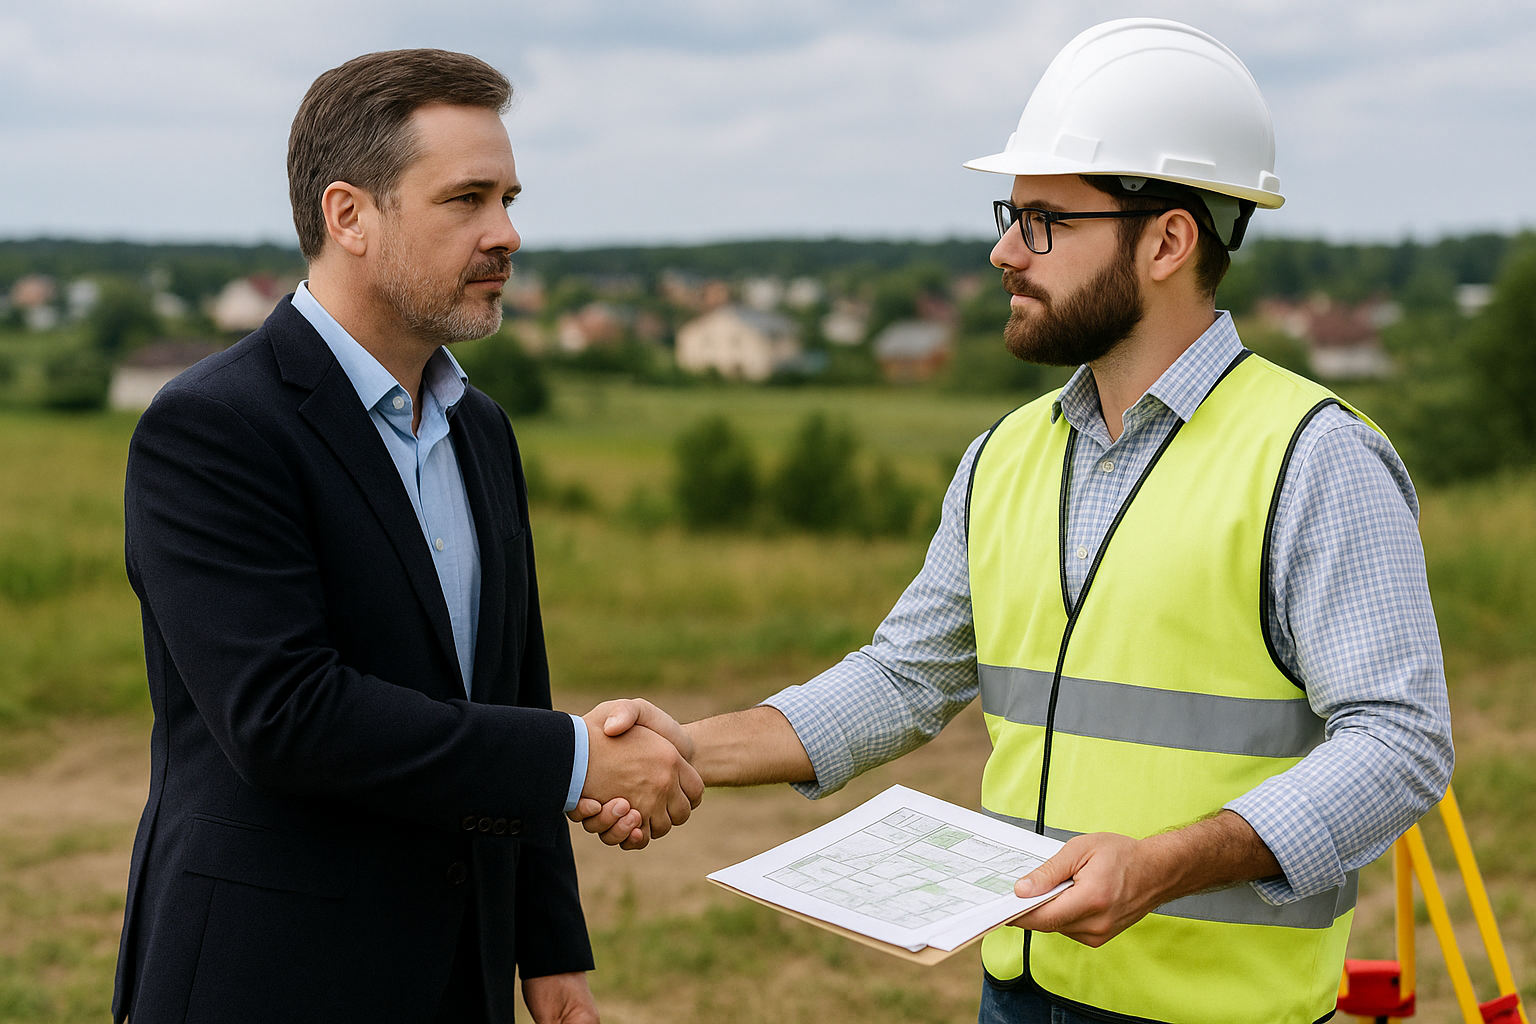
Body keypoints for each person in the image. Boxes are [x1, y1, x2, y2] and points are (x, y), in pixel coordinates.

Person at [576, 19, 1453, 1024]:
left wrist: (1163, 865)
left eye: (1043, 220)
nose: (1002, 250)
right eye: (1010, 213)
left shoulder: (1314, 456)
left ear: (1168, 239)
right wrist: (688, 746)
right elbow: (906, 675)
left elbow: (1398, 743)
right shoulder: (1006, 453)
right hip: (1018, 995)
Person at [113, 49, 699, 1024]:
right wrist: (579, 760)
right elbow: (286, 717)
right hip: (264, 980)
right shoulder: (212, 426)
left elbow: (510, 693)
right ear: (349, 215)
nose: (507, 233)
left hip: (457, 978)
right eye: (466, 199)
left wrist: (550, 951)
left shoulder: (482, 430)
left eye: (509, 197)